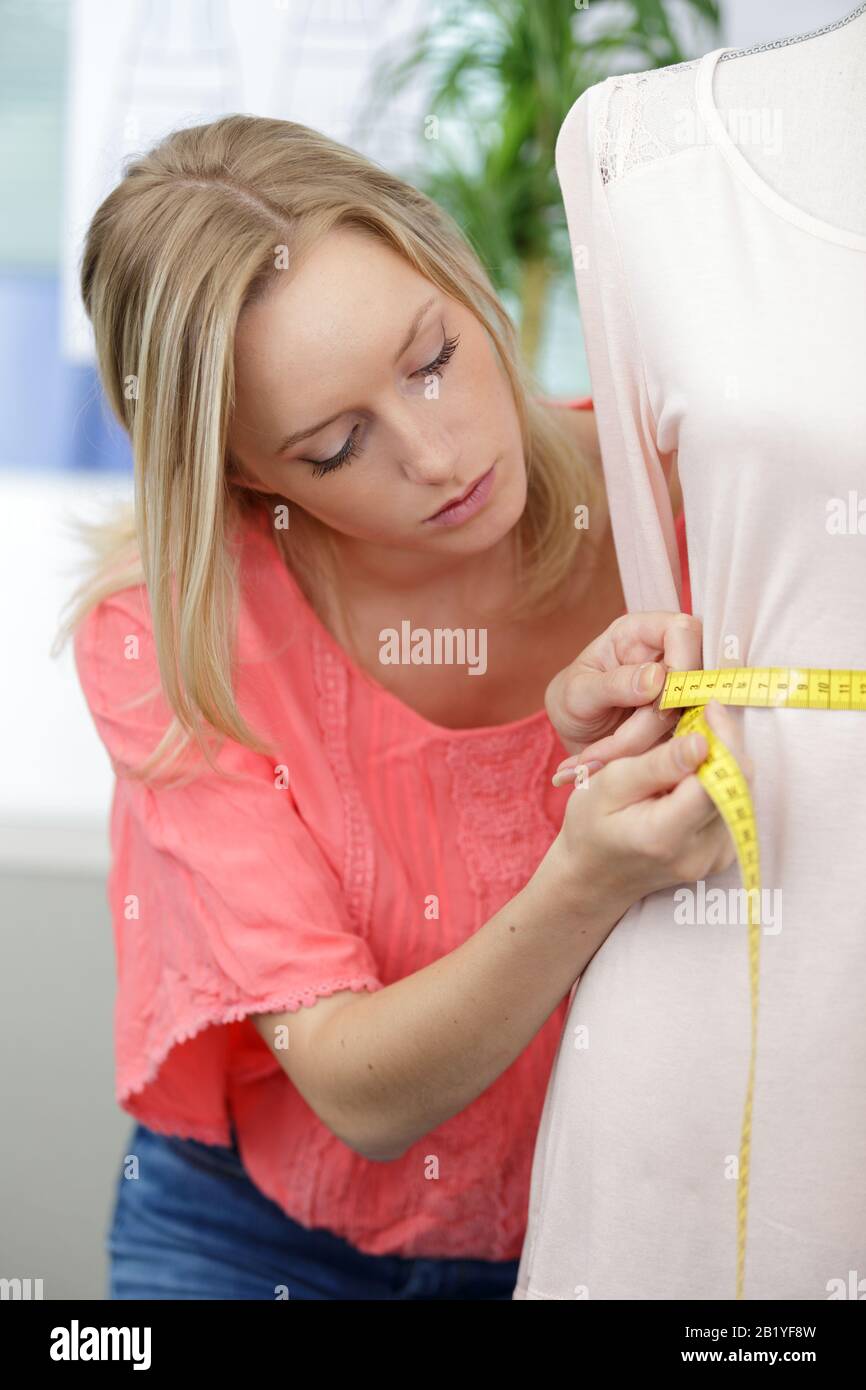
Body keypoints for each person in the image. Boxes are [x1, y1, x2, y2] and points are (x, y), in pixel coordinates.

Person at [57, 114, 745, 1300]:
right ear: (243, 475)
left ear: (456, 274)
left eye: (431, 356)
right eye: (335, 447)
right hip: (252, 1244)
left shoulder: (700, 506)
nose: (436, 455)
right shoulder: (177, 637)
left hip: (605, 1231)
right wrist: (580, 876)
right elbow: (358, 1093)